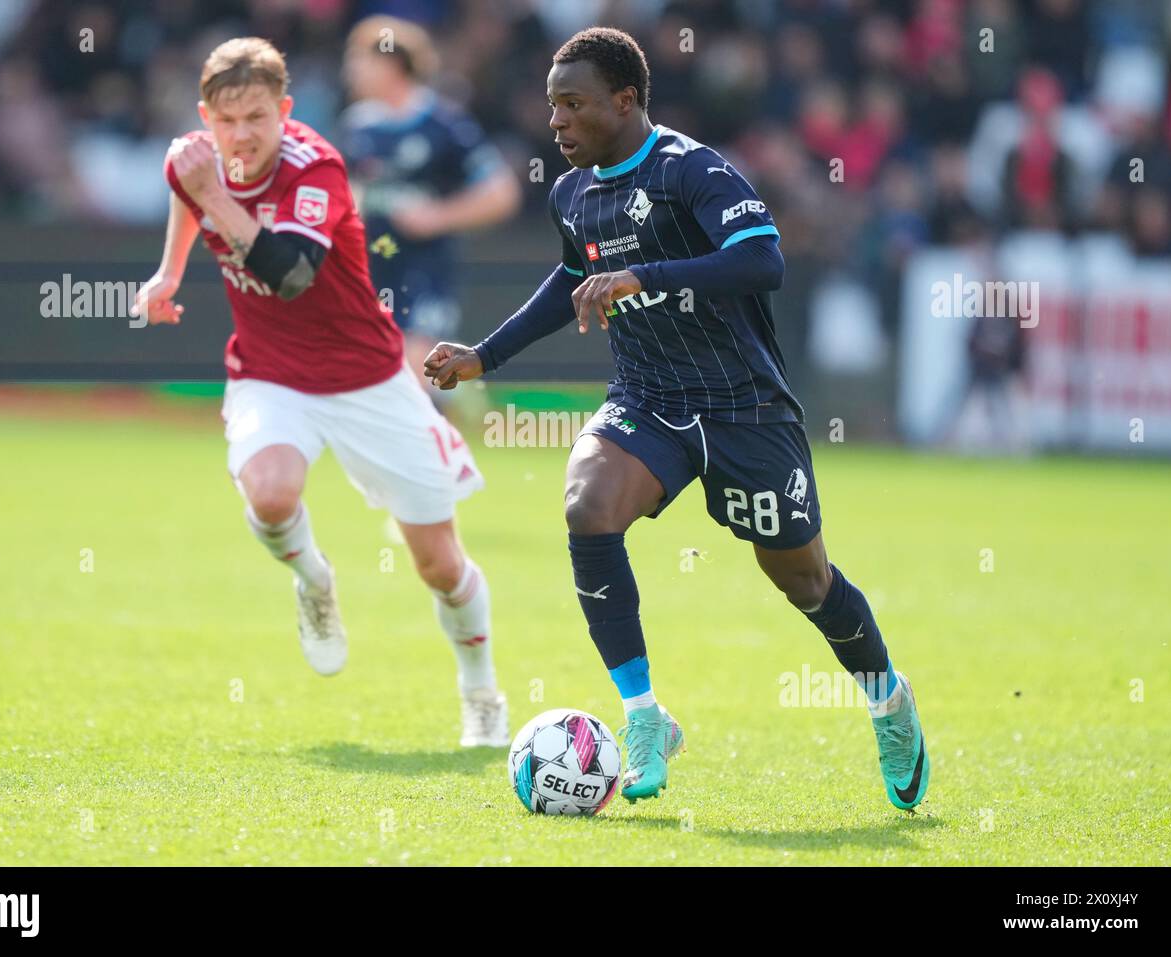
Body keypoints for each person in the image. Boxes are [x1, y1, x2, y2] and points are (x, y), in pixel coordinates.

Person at [425, 28, 928, 806]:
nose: (554, 121)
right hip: (648, 399)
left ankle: (887, 696)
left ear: (624, 102)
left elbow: (764, 260)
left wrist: (641, 273)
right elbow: (570, 281)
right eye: (551, 104)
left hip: (743, 407)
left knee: (803, 579)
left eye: (573, 104)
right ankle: (644, 716)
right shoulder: (572, 192)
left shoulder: (691, 169)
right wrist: (484, 357)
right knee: (587, 508)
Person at [131, 37, 507, 747]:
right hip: (270, 372)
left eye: (257, 118)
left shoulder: (318, 169)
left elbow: (290, 273)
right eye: (227, 119)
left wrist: (213, 192)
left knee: (440, 564)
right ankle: (314, 581)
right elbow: (187, 197)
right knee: (270, 494)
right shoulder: (192, 161)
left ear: (286, 111)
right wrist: (169, 274)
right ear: (206, 116)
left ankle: (481, 690)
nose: (241, 135)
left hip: (368, 377)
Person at [340, 15, 521, 404]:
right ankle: (445, 406)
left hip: (426, 270)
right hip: (373, 267)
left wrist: (439, 216)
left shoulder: (444, 124)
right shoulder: (358, 127)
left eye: (360, 60)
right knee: (375, 378)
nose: (350, 71)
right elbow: (349, 194)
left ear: (392, 65)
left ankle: (443, 417)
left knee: (411, 371)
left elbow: (501, 192)